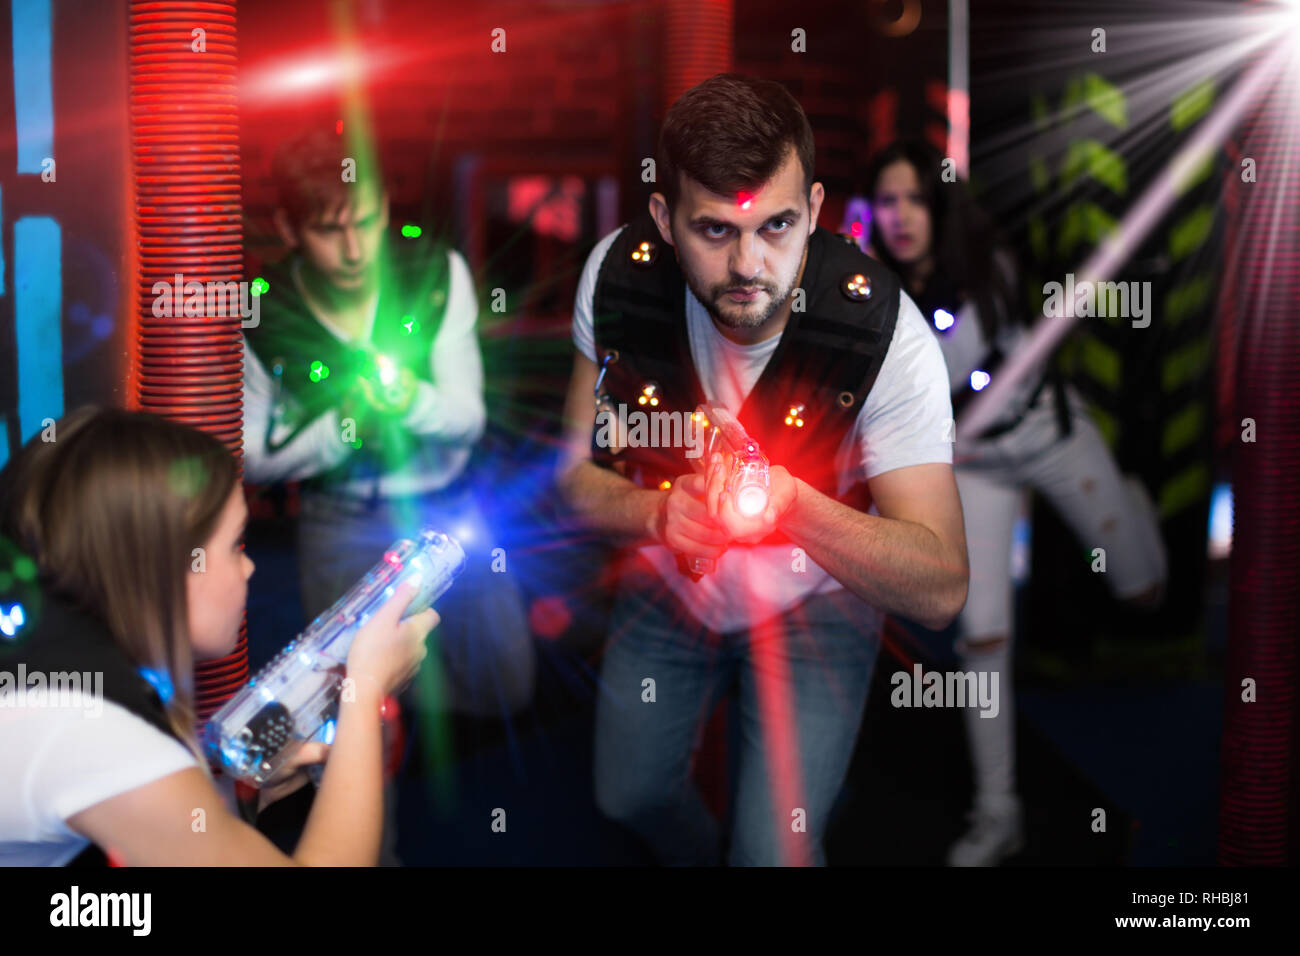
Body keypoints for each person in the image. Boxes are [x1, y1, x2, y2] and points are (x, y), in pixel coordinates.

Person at [557, 74, 969, 866]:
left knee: (773, 855)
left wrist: (787, 505)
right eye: (715, 230)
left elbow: (944, 584)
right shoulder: (617, 277)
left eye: (777, 225)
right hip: (669, 579)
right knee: (625, 795)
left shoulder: (885, 334)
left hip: (818, 600)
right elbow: (569, 481)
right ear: (663, 221)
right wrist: (655, 515)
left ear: (814, 210)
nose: (750, 264)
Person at [863, 139, 1168, 866]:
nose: (900, 216)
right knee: (983, 638)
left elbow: (944, 373)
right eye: (886, 201)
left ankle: (1131, 512)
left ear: (940, 206)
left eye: (914, 199)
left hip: (1045, 435)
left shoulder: (984, 266)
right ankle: (999, 813)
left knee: (1144, 589)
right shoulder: (877, 290)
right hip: (973, 464)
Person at [0, 406, 435, 866]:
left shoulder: (64, 664)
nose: (248, 567)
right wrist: (365, 689)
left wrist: (249, 790)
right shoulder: (85, 730)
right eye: (234, 544)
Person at [241, 127, 534, 719]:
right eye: (329, 230)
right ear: (289, 229)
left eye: (367, 222)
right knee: (349, 709)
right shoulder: (260, 305)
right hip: (338, 517)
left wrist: (406, 402)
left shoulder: (434, 271)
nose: (354, 249)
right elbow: (249, 457)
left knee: (506, 685)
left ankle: (410, 727)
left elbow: (467, 419)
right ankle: (384, 748)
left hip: (449, 508)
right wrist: (345, 427)